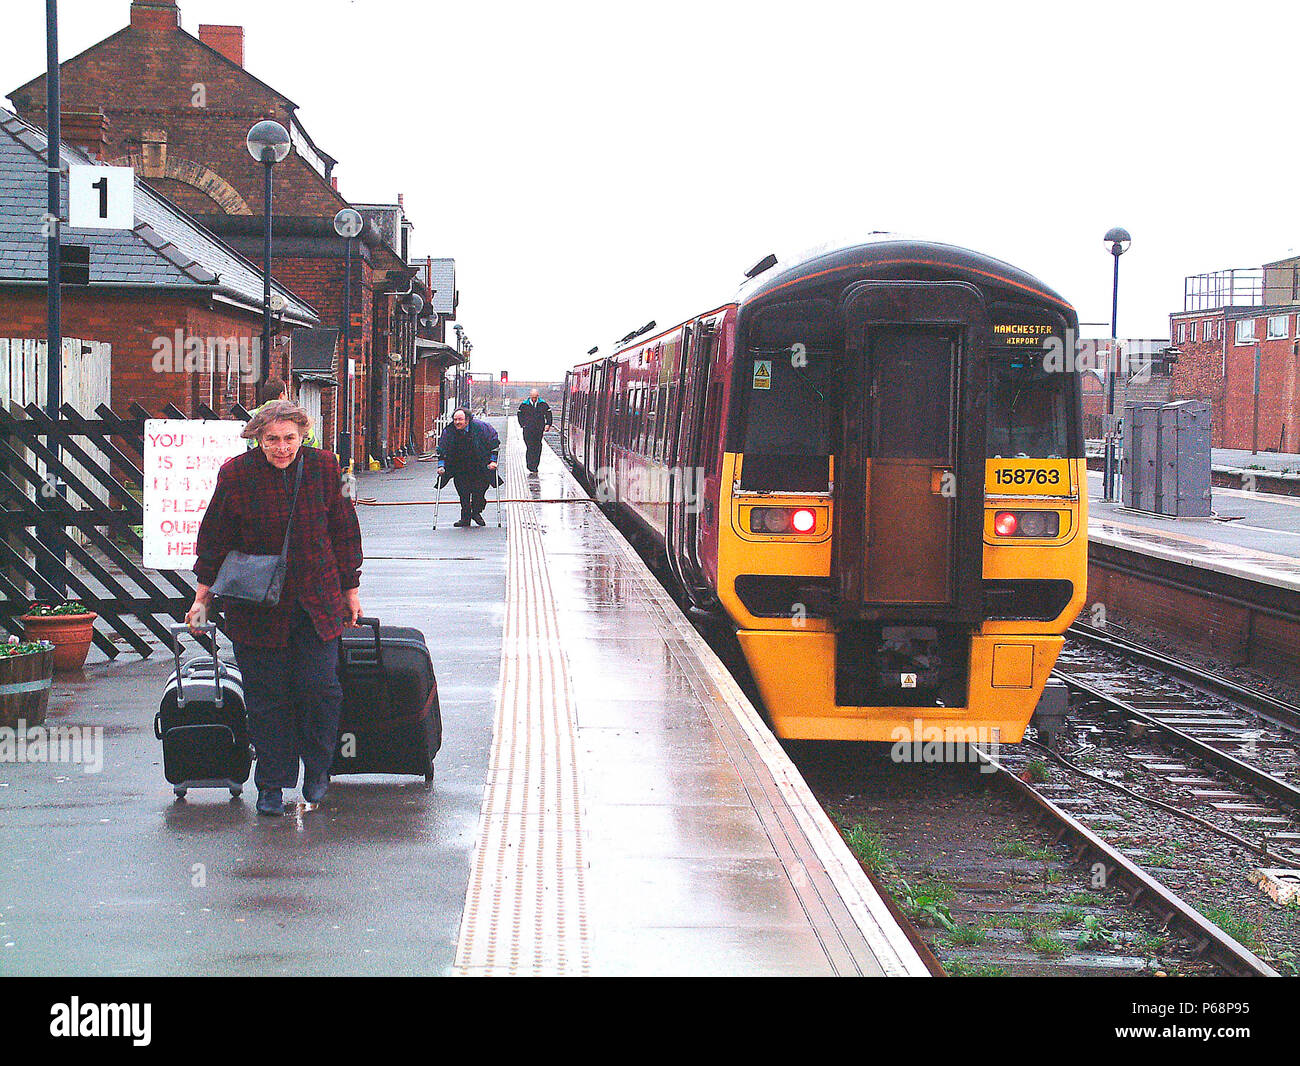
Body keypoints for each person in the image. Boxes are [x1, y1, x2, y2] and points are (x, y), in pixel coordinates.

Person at [187, 400, 362, 816]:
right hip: (257, 608)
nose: (282, 448)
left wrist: (350, 589)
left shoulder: (327, 468)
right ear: (257, 439)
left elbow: (345, 529)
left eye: (289, 439)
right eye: (272, 440)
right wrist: (201, 597)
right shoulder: (235, 475)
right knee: (267, 699)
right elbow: (214, 537)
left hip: (316, 602)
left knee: (321, 690)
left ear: (303, 436)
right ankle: (271, 784)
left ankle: (318, 769)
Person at [436, 408, 499, 527]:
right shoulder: (449, 431)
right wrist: (441, 466)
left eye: (460, 419)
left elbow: (494, 444)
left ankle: (476, 512)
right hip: (460, 467)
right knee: (463, 493)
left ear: (467, 420)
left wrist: (493, 461)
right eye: (455, 419)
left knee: (479, 493)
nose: (457, 422)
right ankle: (465, 518)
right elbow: (442, 449)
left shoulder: (481, 428)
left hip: (480, 466)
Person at [246, 379, 321, 449]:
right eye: (286, 393)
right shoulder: (295, 416)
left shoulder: (249, 415)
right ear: (282, 395)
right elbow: (312, 444)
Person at [516, 388, 552, 473]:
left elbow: (548, 414)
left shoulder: (543, 404)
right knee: (530, 447)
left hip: (539, 430)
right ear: (530, 396)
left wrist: (548, 424)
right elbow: (519, 415)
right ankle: (530, 465)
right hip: (528, 430)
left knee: (537, 447)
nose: (534, 399)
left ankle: (535, 466)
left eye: (535, 397)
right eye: (532, 397)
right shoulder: (524, 405)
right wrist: (523, 425)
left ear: (538, 396)